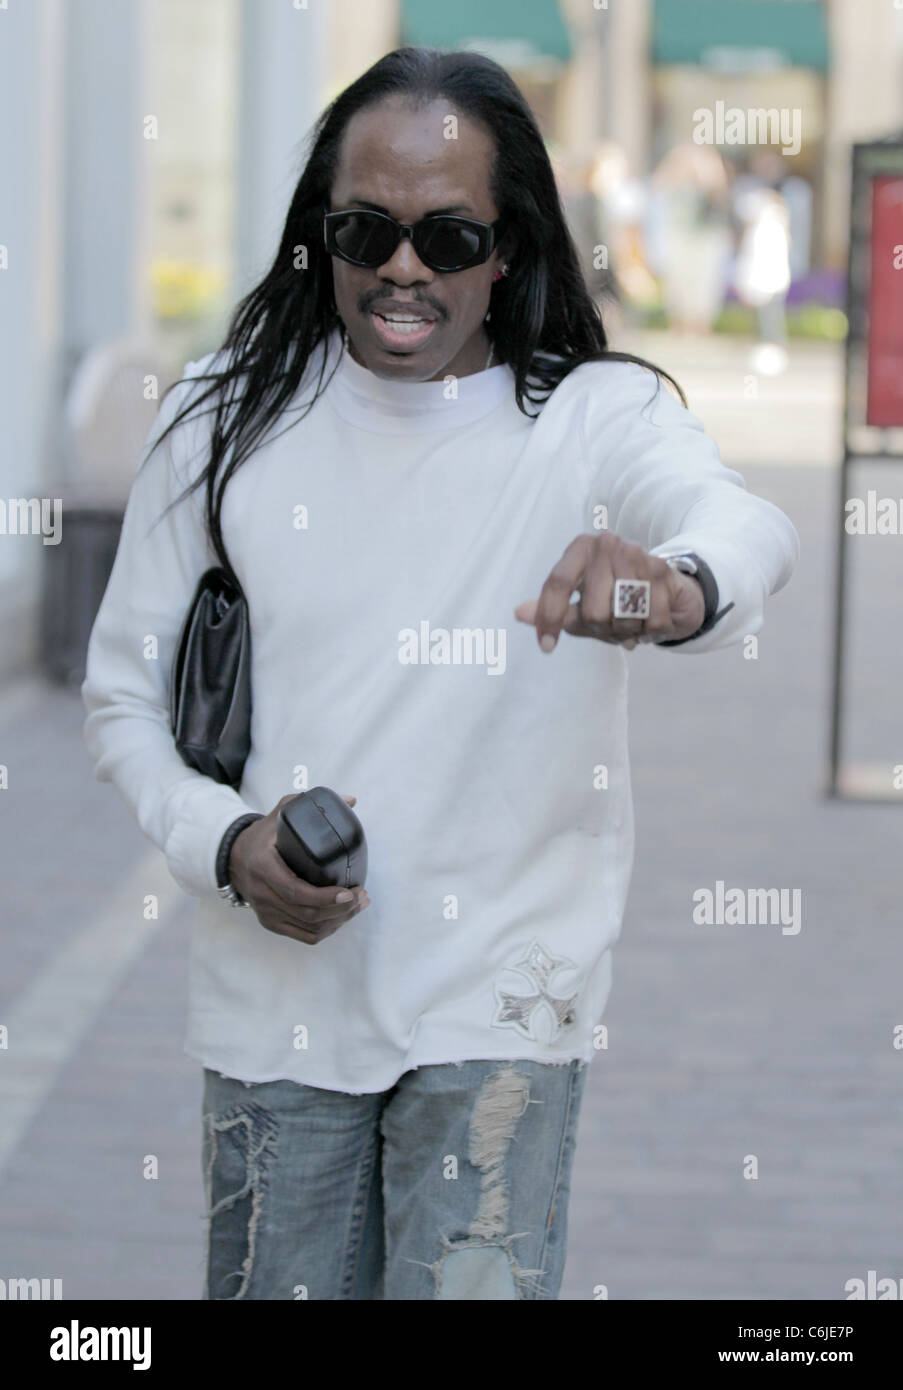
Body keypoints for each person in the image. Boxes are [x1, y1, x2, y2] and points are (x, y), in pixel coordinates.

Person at [81, 47, 799, 1301]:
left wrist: (667, 587)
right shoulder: (221, 419)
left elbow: (749, 532)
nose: (403, 267)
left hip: (504, 1012)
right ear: (323, 238)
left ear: (508, 248)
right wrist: (227, 842)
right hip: (276, 1005)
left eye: (448, 236)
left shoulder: (595, 418)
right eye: (366, 231)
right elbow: (123, 698)